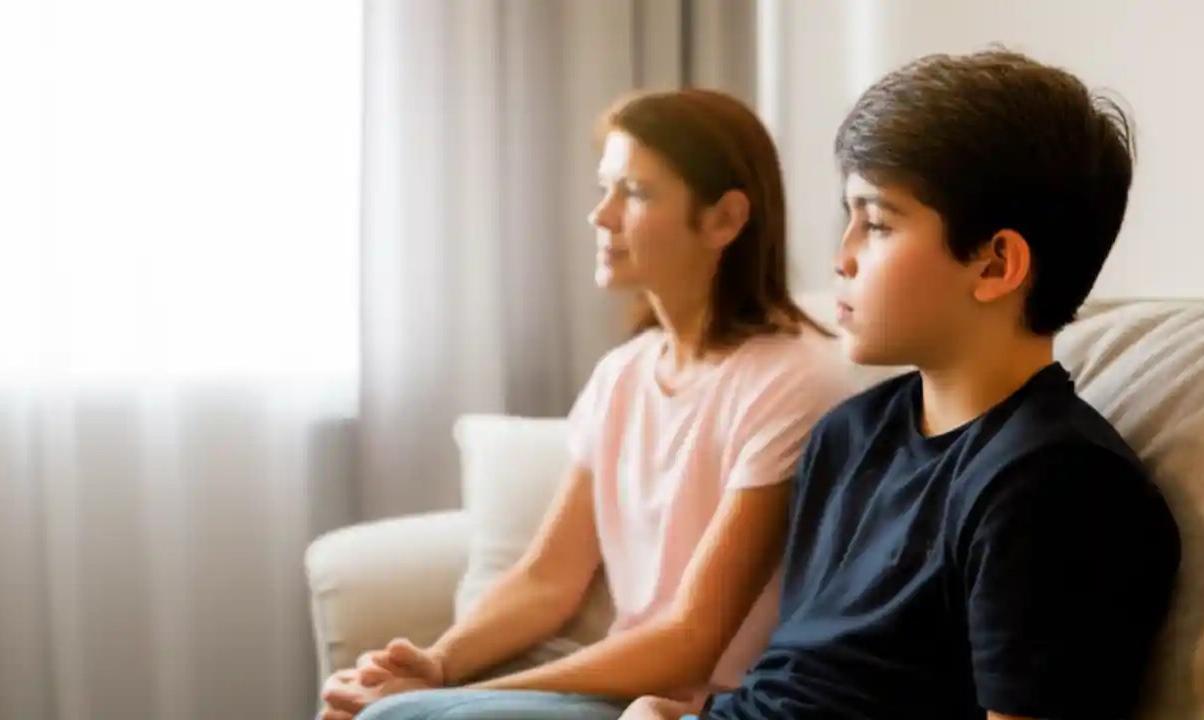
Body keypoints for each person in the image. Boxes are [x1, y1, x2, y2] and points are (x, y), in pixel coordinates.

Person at [625, 50, 1181, 720]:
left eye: (878, 223)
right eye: (847, 217)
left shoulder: (1059, 485)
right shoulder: (848, 434)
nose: (842, 256)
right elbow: (802, 684)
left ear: (997, 262)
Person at [317, 88, 857, 720]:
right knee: (366, 711)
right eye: (606, 188)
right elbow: (548, 579)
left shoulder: (794, 382)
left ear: (724, 220)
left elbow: (691, 642)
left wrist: (450, 697)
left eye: (636, 192)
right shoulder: (623, 374)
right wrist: (438, 662)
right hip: (612, 693)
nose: (601, 217)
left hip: (703, 706)